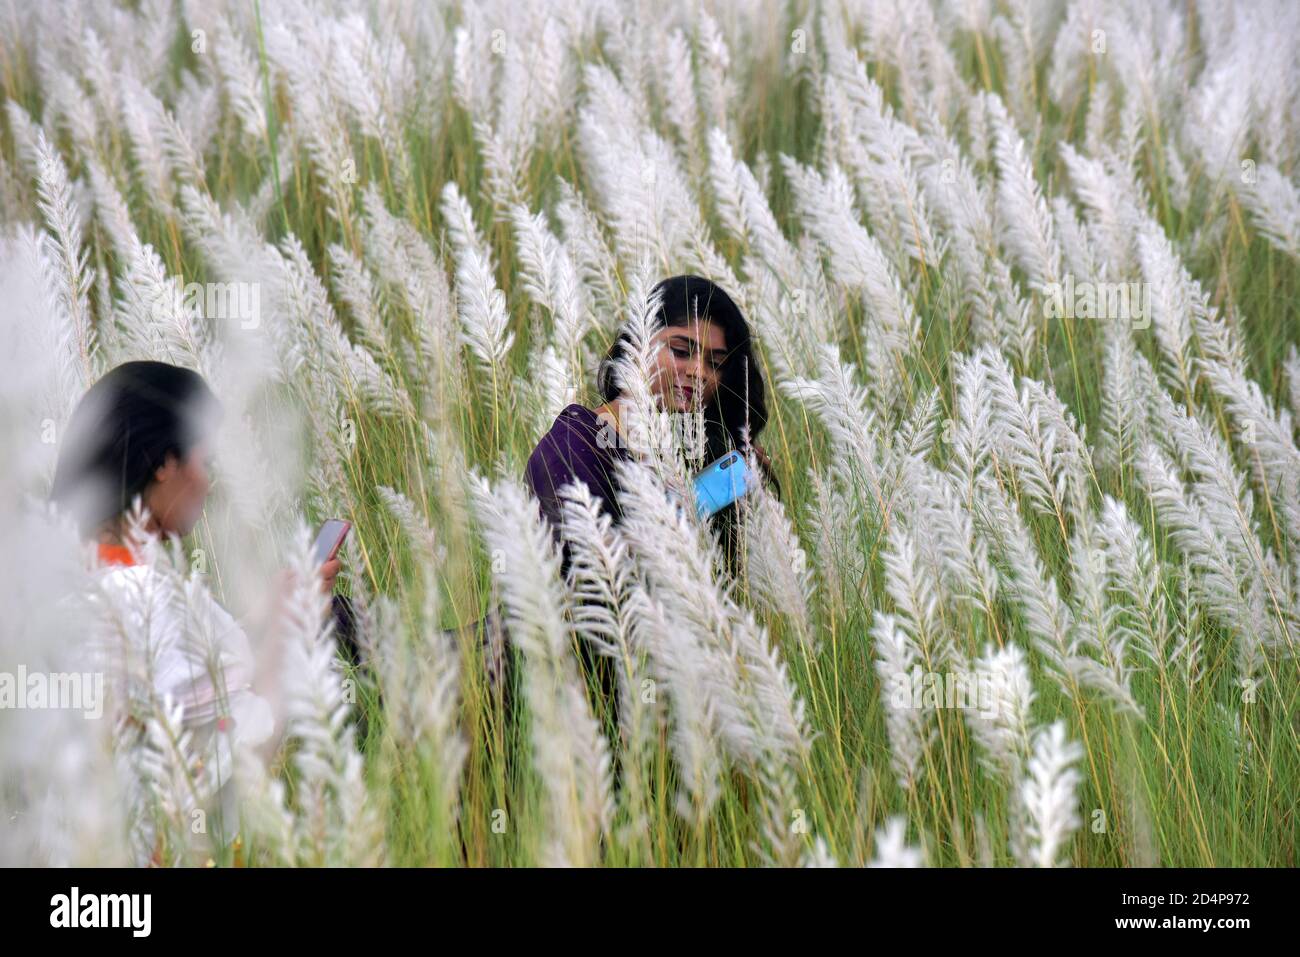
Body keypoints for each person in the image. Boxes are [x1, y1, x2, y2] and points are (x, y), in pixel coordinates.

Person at [48, 360, 354, 850]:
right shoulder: (146, 599)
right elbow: (244, 757)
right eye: (204, 462)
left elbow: (188, 693)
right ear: (165, 463)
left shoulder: (62, 582)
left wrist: (263, 622)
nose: (208, 484)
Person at [522, 274, 780, 743]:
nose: (699, 372)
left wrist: (735, 487)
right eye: (681, 351)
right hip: (555, 702)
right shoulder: (576, 444)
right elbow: (586, 587)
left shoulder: (701, 456)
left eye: (715, 362)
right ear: (635, 346)